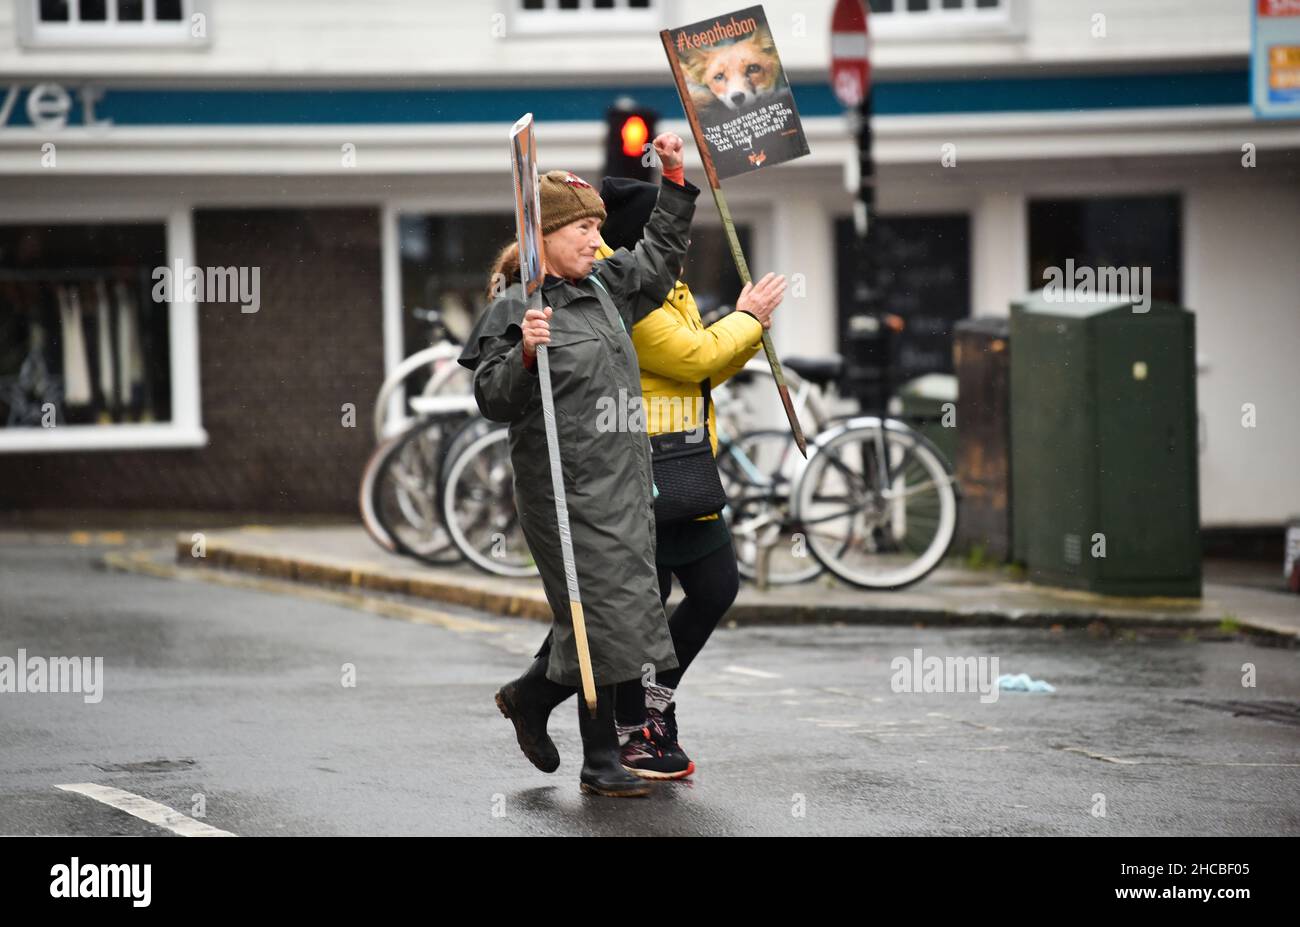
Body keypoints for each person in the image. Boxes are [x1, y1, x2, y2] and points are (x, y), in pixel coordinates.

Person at [526, 175, 787, 781]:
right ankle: (625, 724)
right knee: (630, 612)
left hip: (683, 460)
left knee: (695, 591)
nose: (682, 250)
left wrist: (744, 330)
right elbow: (691, 356)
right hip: (640, 467)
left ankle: (615, 707)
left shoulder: (660, 284)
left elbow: (700, 368)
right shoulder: (617, 292)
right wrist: (748, 321)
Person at [460, 132, 697, 798]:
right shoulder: (517, 308)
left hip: (623, 484)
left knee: (623, 614)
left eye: (598, 225)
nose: (597, 239)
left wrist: (675, 182)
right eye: (584, 228)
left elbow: (658, 260)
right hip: (564, 491)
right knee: (601, 620)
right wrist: (525, 355)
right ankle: (599, 760)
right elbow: (490, 397)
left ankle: (531, 698)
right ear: (547, 236)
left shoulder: (606, 287)